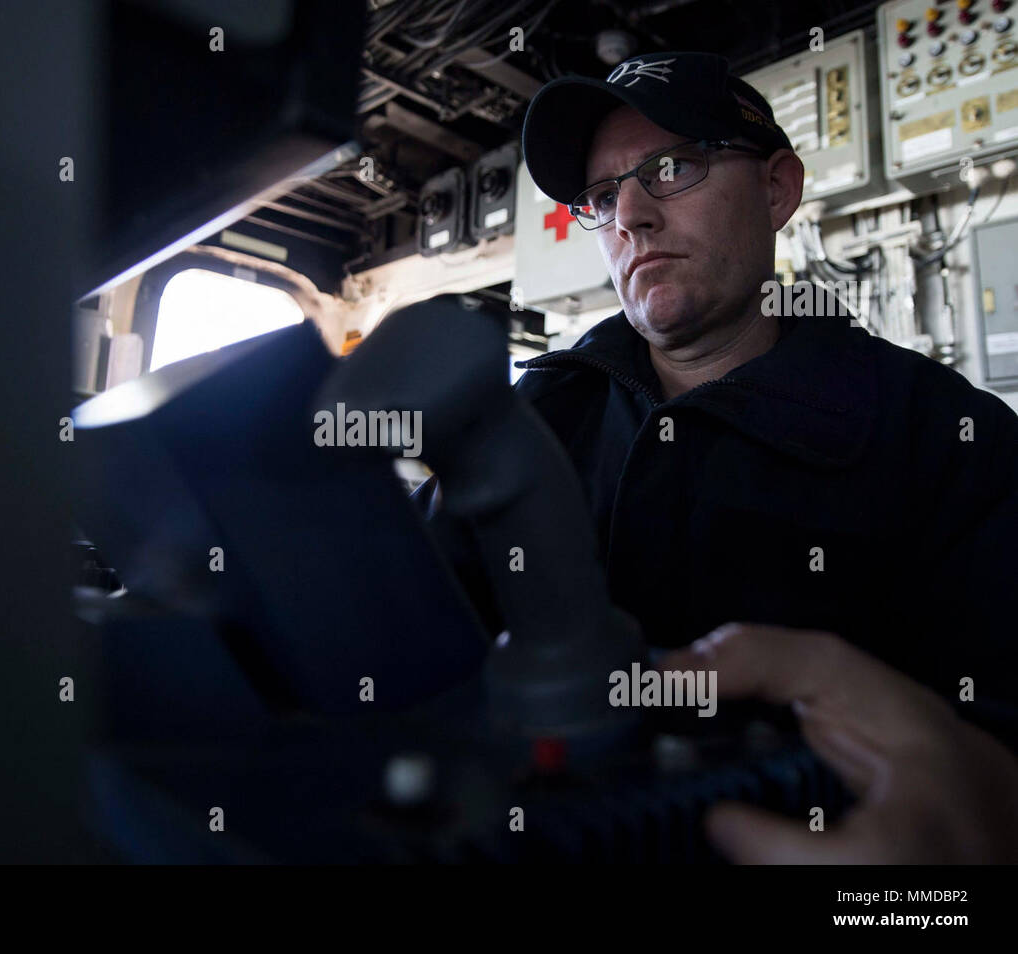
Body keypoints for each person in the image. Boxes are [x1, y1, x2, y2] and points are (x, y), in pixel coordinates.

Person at [416, 51, 1018, 861]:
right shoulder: (532, 423)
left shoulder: (947, 438)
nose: (629, 215)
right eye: (601, 196)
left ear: (777, 189)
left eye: (672, 169)